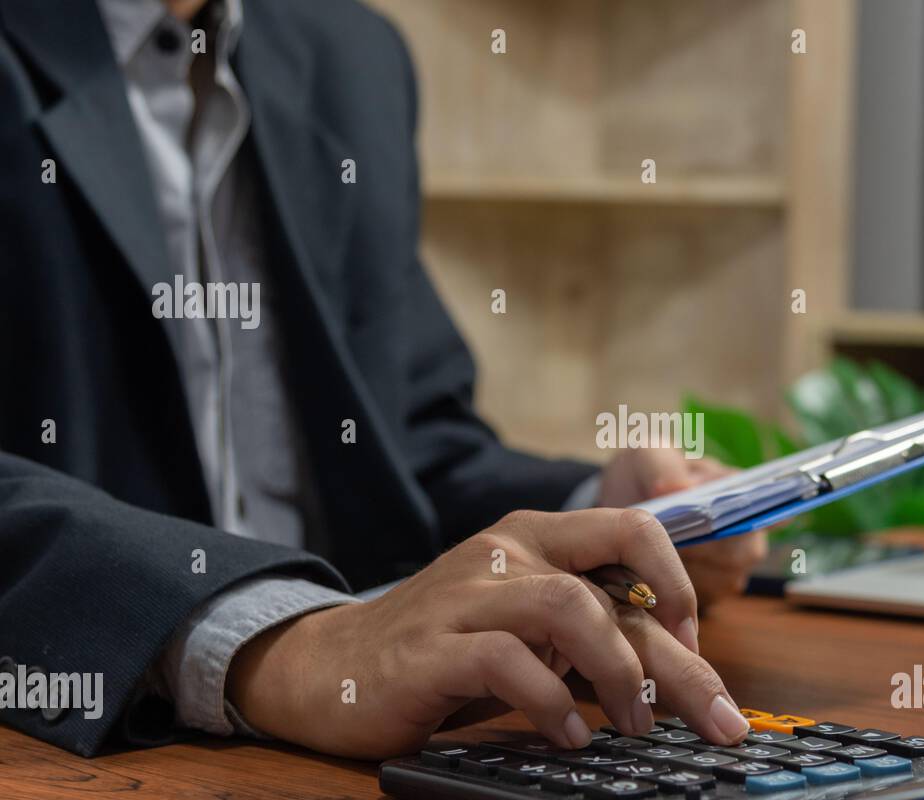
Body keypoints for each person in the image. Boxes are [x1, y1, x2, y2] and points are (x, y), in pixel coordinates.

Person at [0, 0, 766, 759]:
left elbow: (408, 438)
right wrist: (291, 644)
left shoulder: (350, 57)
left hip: (369, 742)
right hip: (99, 753)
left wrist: (598, 519)